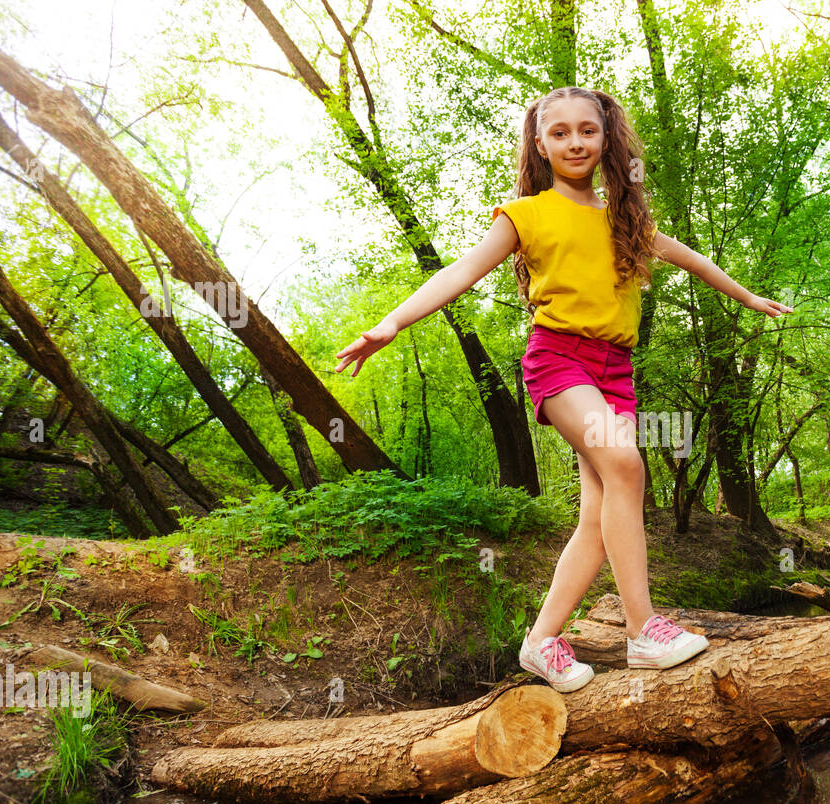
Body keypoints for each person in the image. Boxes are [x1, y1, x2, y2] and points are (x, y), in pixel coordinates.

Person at [335, 86, 793, 692]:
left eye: (588, 131)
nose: (575, 142)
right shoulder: (526, 215)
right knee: (627, 466)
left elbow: (696, 262)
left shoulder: (627, 221)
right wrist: (393, 321)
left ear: (607, 141)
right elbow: (461, 270)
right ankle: (643, 631)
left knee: (598, 515)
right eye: (560, 133)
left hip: (615, 371)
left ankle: (540, 640)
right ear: (540, 144)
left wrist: (749, 297)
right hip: (560, 361)